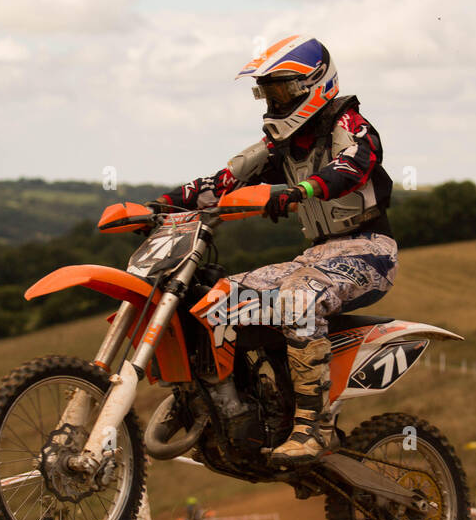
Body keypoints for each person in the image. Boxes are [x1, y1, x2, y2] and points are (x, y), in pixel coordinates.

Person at [156, 35, 395, 466]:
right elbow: (220, 182)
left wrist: (299, 189)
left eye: (283, 90)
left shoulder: (351, 125)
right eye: (268, 92)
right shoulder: (278, 145)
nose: (275, 101)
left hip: (369, 251)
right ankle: (234, 405)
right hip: (316, 255)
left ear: (315, 87)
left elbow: (353, 166)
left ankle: (314, 428)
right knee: (216, 298)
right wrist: (160, 205)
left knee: (298, 301)